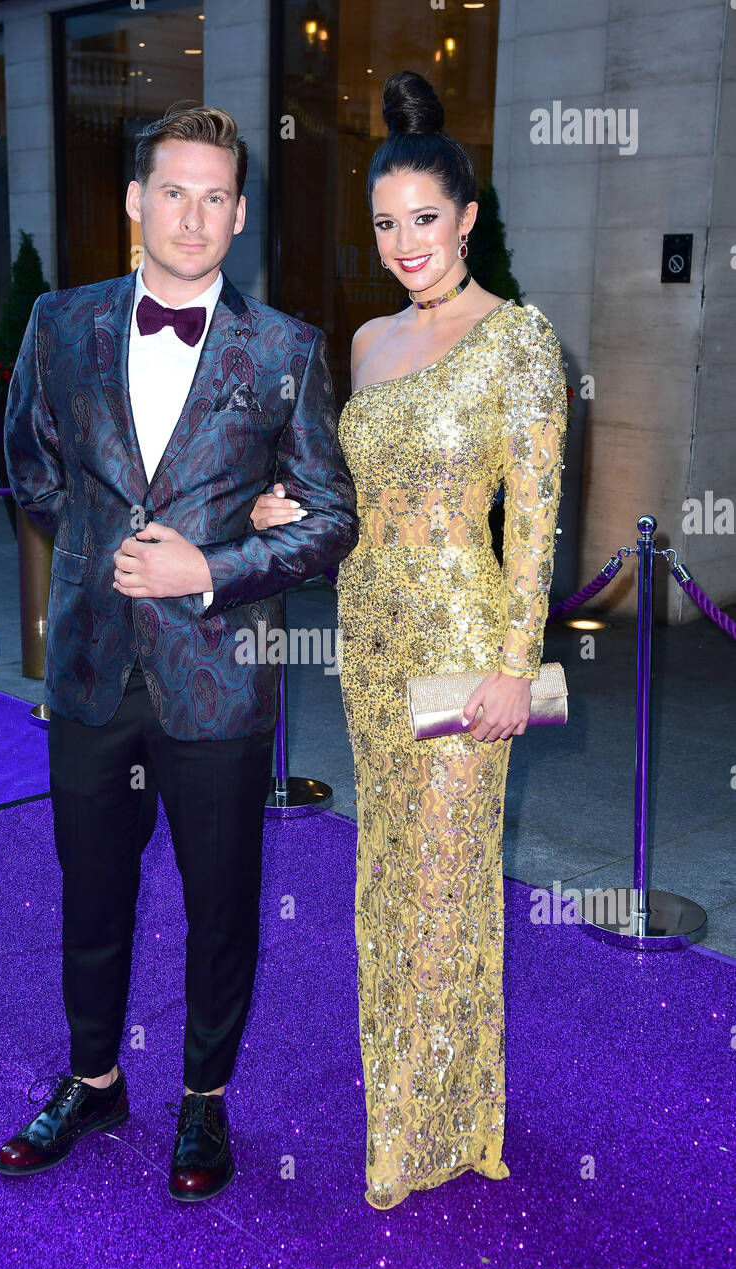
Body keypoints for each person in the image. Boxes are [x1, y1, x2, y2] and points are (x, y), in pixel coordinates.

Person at [0, 101, 358, 1200]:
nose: (192, 216)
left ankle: (205, 1101)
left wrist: (205, 570)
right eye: (172, 191)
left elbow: (331, 516)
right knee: (91, 889)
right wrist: (110, 559)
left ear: (239, 212)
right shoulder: (60, 324)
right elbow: (31, 463)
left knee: (222, 900)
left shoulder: (285, 348)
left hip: (220, 674)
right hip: (97, 667)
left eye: (215, 196)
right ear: (132, 201)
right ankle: (94, 1076)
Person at [250, 71, 567, 1209]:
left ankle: (430, 1130)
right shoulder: (370, 339)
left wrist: (515, 669)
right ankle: (414, 1087)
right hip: (370, 645)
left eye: (425, 220)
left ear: (469, 219)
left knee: (444, 882)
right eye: (386, 224)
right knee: (385, 879)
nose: (404, 243)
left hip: (465, 642)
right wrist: (287, 510)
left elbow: (533, 526)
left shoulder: (519, 341)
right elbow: (349, 498)